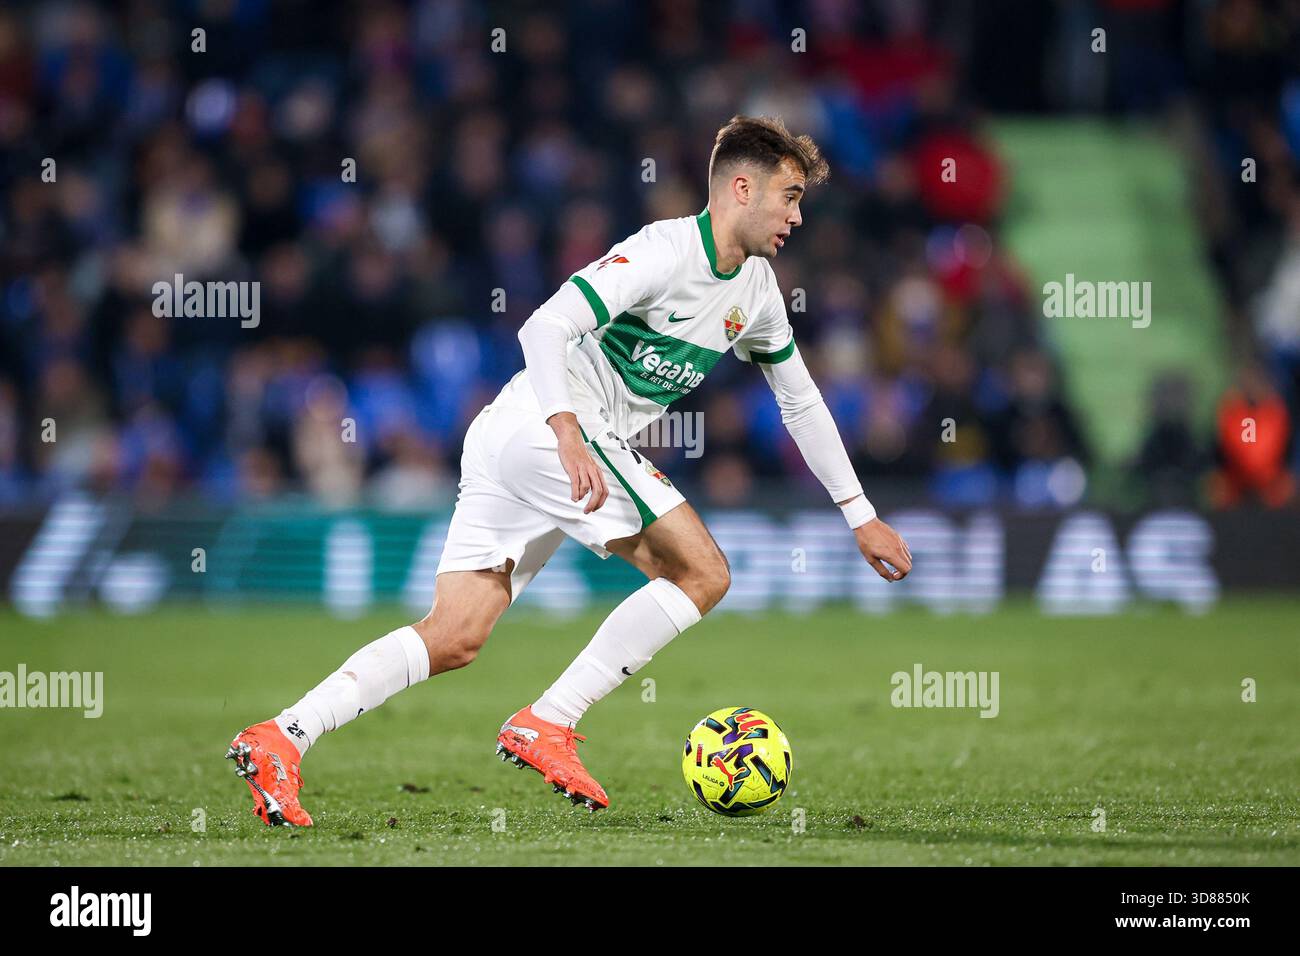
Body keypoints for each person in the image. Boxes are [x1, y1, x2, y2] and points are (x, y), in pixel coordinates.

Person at [225, 115, 913, 825]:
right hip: (547, 431)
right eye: (790, 196)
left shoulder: (759, 294)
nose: (798, 216)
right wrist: (567, 432)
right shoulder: (664, 251)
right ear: (742, 187)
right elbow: (544, 326)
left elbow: (799, 400)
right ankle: (549, 719)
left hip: (520, 438)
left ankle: (282, 736)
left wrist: (859, 513)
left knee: (456, 635)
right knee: (703, 573)